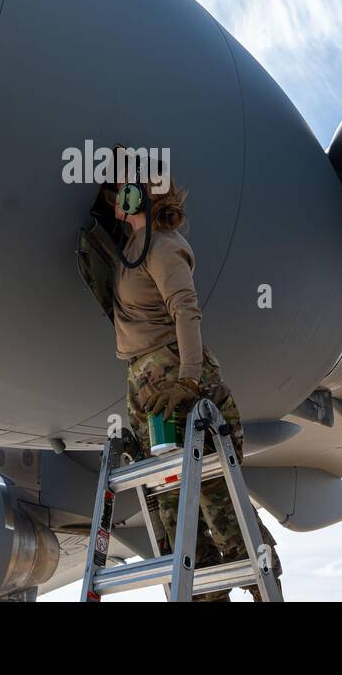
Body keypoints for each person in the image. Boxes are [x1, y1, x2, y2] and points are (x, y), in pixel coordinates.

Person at [109, 176, 282, 601]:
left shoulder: (163, 247)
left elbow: (186, 311)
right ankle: (207, 592)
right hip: (146, 382)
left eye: (124, 193)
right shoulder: (132, 249)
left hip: (174, 374)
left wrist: (189, 376)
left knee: (211, 490)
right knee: (168, 497)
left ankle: (261, 582)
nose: (117, 198)